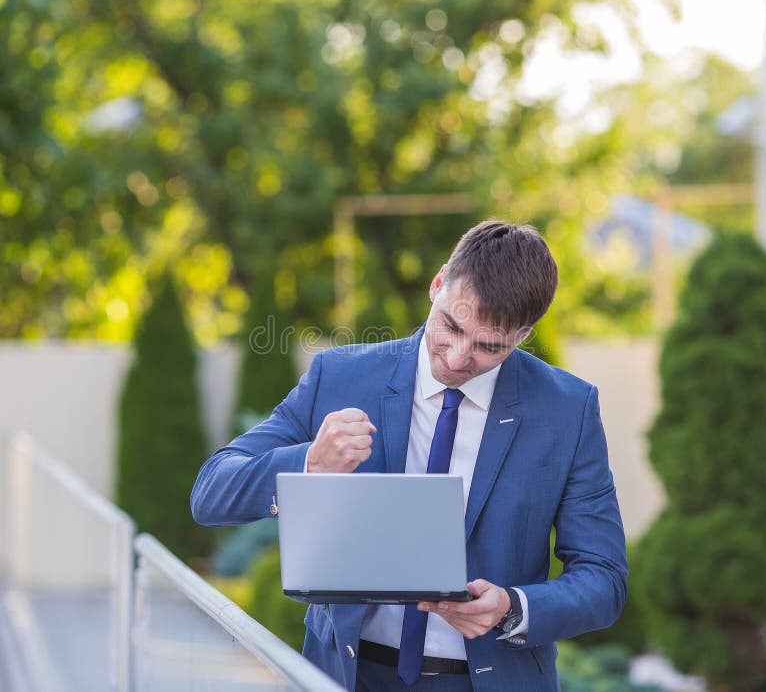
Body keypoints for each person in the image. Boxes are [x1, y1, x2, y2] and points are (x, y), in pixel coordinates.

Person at [191, 220, 627, 692]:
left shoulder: (567, 411)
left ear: (523, 335)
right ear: (438, 284)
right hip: (350, 675)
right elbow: (211, 493)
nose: (458, 357)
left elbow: (604, 579)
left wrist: (514, 607)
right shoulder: (338, 377)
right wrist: (309, 465)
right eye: (452, 326)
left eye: (489, 346)